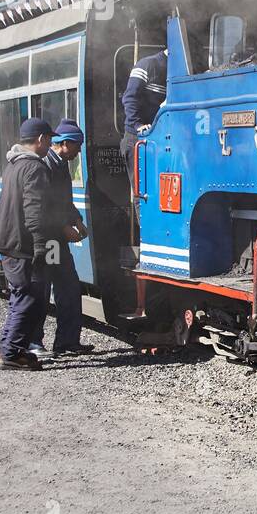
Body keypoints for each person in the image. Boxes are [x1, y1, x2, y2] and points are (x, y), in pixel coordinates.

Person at [0, 118, 57, 370]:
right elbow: (35, 211)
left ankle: (8, 348)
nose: (50, 144)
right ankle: (12, 353)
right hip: (24, 246)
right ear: (41, 139)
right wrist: (41, 246)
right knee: (29, 299)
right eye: (49, 140)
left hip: (10, 242)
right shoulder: (34, 168)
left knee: (19, 297)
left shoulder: (13, 165)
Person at [33, 118, 95, 357]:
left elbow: (64, 201)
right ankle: (35, 342)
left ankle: (67, 341)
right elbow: (44, 205)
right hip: (48, 240)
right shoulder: (45, 165)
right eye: (77, 146)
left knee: (68, 287)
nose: (79, 151)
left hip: (56, 240)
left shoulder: (60, 165)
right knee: (44, 288)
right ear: (65, 144)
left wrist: (77, 220)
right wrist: (63, 227)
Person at [119, 47, 167, 318]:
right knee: (143, 194)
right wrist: (138, 126)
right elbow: (130, 97)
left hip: (159, 139)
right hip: (139, 140)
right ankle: (147, 236)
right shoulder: (149, 65)